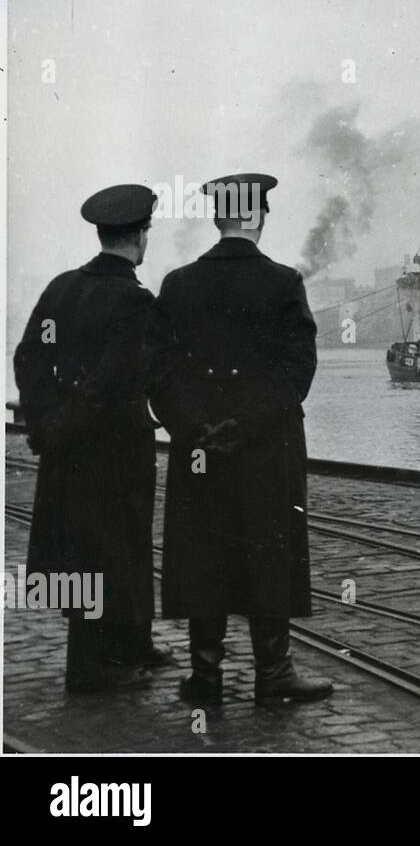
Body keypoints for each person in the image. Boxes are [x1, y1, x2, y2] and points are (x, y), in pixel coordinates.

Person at [148, 172, 332, 707]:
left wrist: (196, 427)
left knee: (203, 548)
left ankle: (204, 677)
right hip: (265, 447)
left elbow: (158, 370)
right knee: (269, 548)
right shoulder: (283, 282)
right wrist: (246, 424)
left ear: (218, 218)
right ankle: (273, 674)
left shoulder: (178, 284)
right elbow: (296, 369)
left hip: (199, 450)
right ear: (258, 217)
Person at [14, 183, 171, 692]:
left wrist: (47, 423)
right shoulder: (135, 300)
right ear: (140, 237)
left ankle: (131, 645)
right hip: (119, 446)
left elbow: (30, 359)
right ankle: (94, 666)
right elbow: (115, 379)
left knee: (85, 547)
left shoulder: (61, 289)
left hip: (68, 451)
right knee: (121, 545)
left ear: (102, 233)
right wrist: (66, 424)